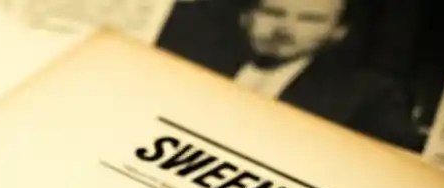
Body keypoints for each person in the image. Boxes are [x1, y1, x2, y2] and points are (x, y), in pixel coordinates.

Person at [157, 0, 426, 152]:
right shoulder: (197, 60)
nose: (284, 29)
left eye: (310, 20)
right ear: (245, 17)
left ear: (338, 32)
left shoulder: (365, 95)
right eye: (273, 13)